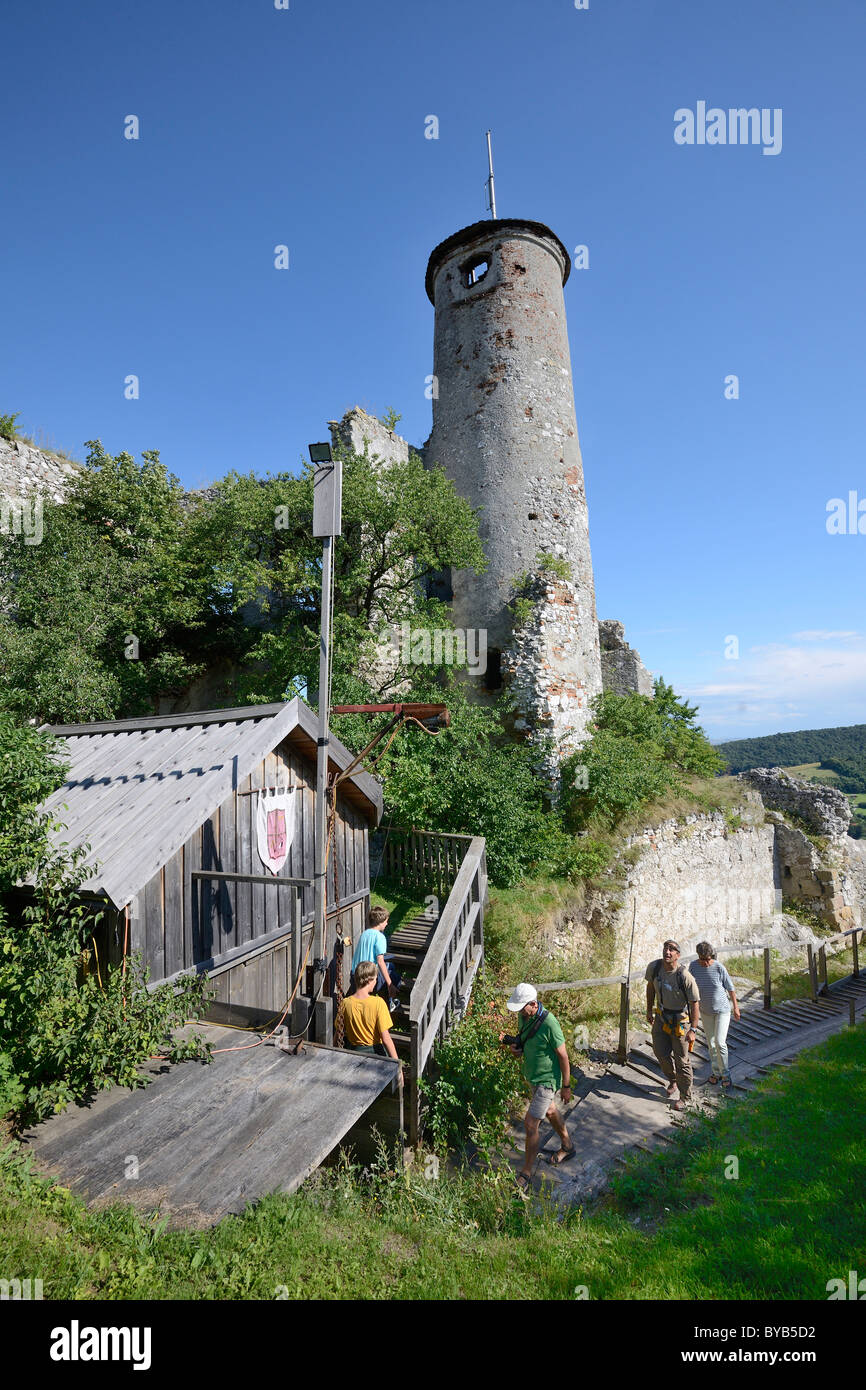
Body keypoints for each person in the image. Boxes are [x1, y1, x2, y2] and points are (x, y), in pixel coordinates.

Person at [500, 983, 574, 1195]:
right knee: (550, 1111)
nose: (519, 1011)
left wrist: (566, 1086)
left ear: (533, 1004)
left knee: (531, 1124)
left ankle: (526, 1172)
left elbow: (563, 1056)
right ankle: (568, 1145)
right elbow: (526, 1040)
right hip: (532, 1076)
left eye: (522, 1007)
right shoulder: (524, 1016)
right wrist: (517, 1049)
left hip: (547, 1080)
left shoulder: (550, 1023)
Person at [645, 940, 700, 1111]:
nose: (667, 952)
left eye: (672, 950)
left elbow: (694, 1003)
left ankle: (685, 1097)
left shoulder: (684, 976)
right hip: (661, 1017)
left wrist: (693, 1029)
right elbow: (650, 988)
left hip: (680, 1023)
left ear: (678, 955)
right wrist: (649, 1010)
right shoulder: (654, 968)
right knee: (660, 1053)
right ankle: (673, 1079)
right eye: (665, 948)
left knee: (682, 1061)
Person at [338, 961, 401, 1079]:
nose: (376, 982)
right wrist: (398, 1066)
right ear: (369, 980)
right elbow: (386, 1038)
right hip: (376, 1055)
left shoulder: (345, 1003)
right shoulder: (378, 1003)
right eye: (375, 979)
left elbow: (338, 1033)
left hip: (354, 1053)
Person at [690, 942, 740, 1088]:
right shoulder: (693, 967)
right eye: (702, 959)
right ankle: (716, 1072)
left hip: (722, 1010)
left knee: (719, 1042)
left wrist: (736, 1008)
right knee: (711, 1044)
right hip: (705, 1011)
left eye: (708, 959)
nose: (706, 962)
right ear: (698, 956)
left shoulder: (718, 967)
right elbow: (689, 987)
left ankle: (726, 1075)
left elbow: (730, 988)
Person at [351, 906, 400, 1010]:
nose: (387, 924)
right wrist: (390, 984)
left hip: (356, 973)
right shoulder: (380, 937)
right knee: (395, 977)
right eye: (386, 921)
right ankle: (389, 1002)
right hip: (369, 976)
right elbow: (380, 961)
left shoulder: (364, 933)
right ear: (380, 922)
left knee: (391, 965)